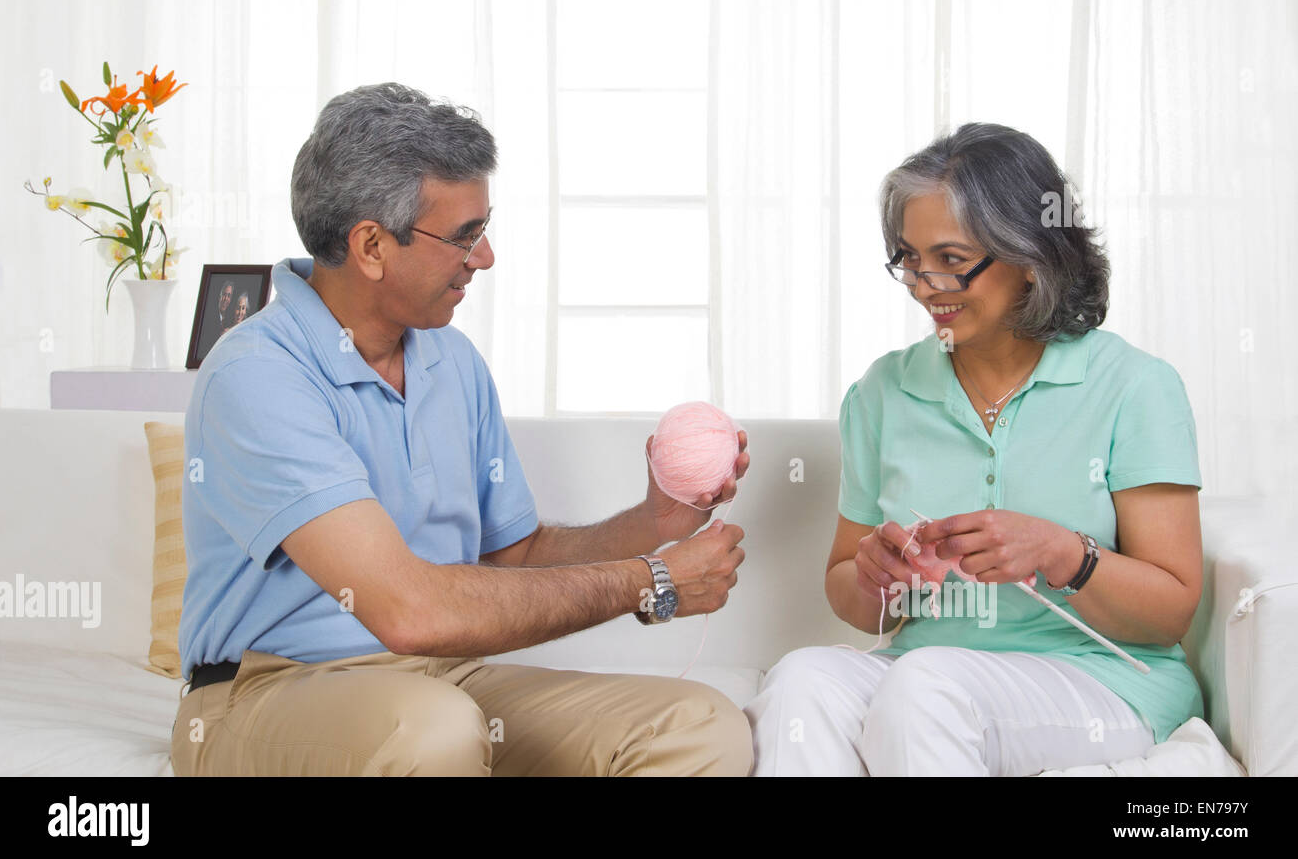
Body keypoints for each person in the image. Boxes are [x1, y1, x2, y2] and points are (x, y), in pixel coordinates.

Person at [171, 82, 752, 777]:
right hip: (269, 692)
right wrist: (648, 582)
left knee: (700, 726)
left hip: (443, 683)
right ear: (371, 245)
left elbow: (516, 558)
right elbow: (407, 611)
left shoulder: (452, 360)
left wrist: (656, 521)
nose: (485, 257)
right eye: (464, 237)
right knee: (433, 732)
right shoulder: (258, 374)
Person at [745, 123, 1204, 776]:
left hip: (1104, 679)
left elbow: (1173, 609)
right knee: (802, 679)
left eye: (953, 260)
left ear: (1029, 255)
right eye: (908, 258)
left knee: (928, 688)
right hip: (923, 673)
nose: (925, 284)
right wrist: (878, 577)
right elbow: (847, 590)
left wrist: (1060, 552)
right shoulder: (882, 393)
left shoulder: (1134, 386)